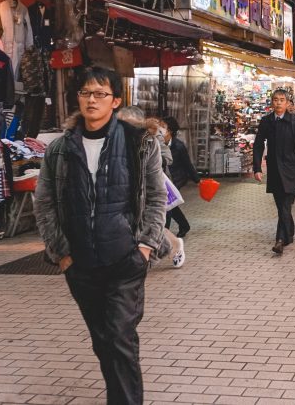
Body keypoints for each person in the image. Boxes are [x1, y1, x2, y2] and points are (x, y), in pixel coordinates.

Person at [35, 67, 167, 405]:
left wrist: (145, 246)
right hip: (80, 264)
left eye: (100, 94)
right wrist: (60, 252)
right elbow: (45, 203)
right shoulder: (60, 150)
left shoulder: (140, 142)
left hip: (125, 260)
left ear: (116, 101)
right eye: (86, 93)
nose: (92, 100)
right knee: (102, 340)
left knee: (120, 336)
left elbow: (156, 196)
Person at [117, 107, 186, 269]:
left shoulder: (152, 139)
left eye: (126, 122)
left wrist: (148, 162)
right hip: (128, 191)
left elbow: (167, 158)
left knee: (151, 222)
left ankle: (172, 245)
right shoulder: (115, 140)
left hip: (150, 187)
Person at [252, 89, 295, 255]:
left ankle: (280, 240)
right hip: (274, 169)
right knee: (281, 206)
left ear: (288, 103)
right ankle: (289, 231)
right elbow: (258, 145)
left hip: (292, 169)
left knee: (285, 205)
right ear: (272, 102)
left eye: (282, 100)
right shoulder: (266, 121)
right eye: (275, 100)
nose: (278, 103)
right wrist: (257, 167)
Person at [162, 117, 197, 238]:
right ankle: (184, 225)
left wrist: (197, 180)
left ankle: (164, 234)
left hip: (177, 178)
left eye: (163, 127)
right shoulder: (159, 142)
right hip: (166, 178)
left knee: (167, 205)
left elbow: (188, 164)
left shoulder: (178, 146)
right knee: (172, 203)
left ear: (170, 131)